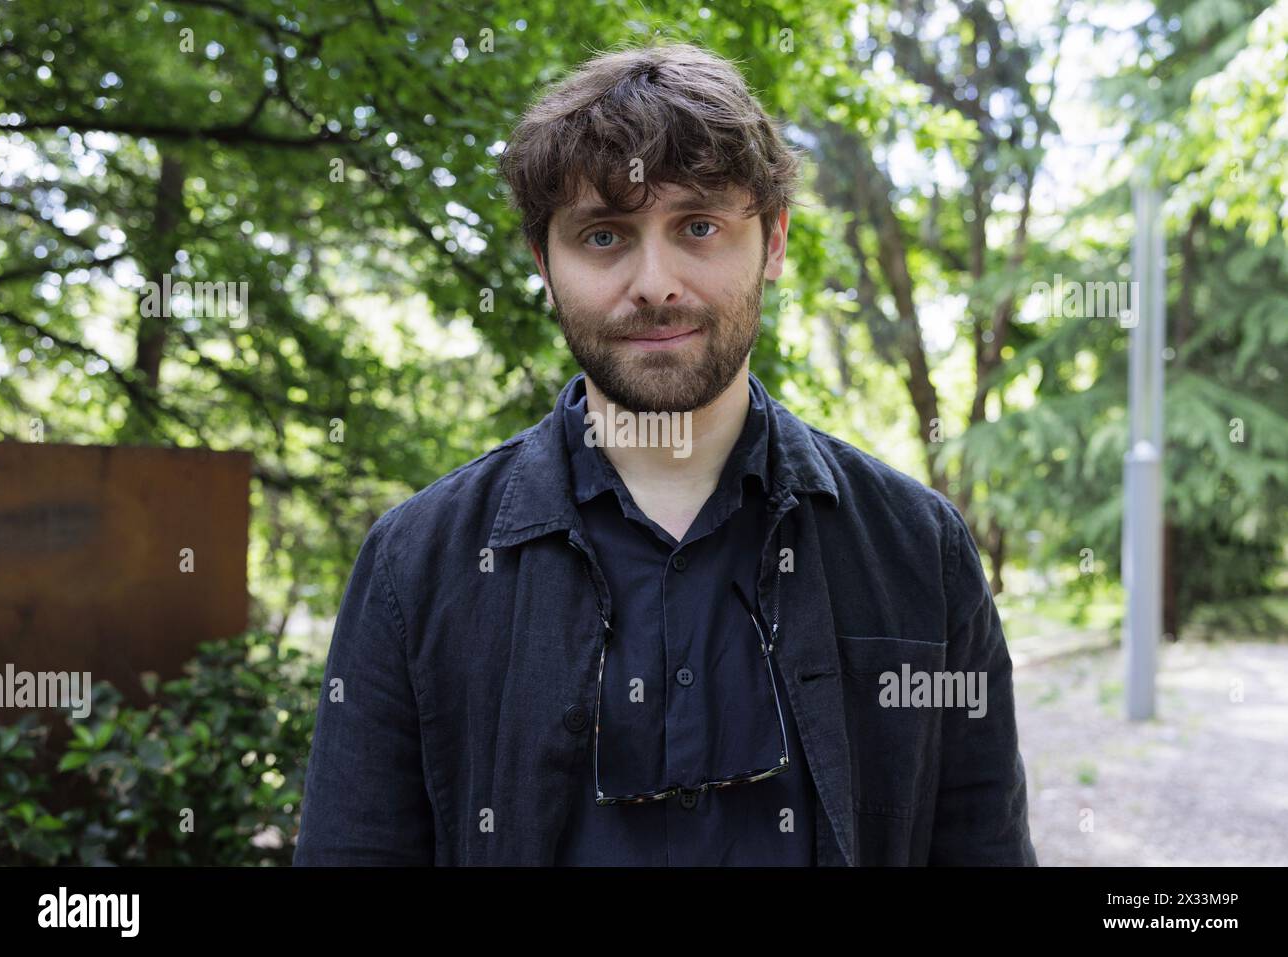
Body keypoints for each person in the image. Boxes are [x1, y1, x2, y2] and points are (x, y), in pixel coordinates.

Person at [293, 41, 1037, 866]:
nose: (656, 283)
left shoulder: (919, 550)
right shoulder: (415, 565)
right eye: (605, 235)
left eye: (698, 225)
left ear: (775, 241)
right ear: (546, 264)